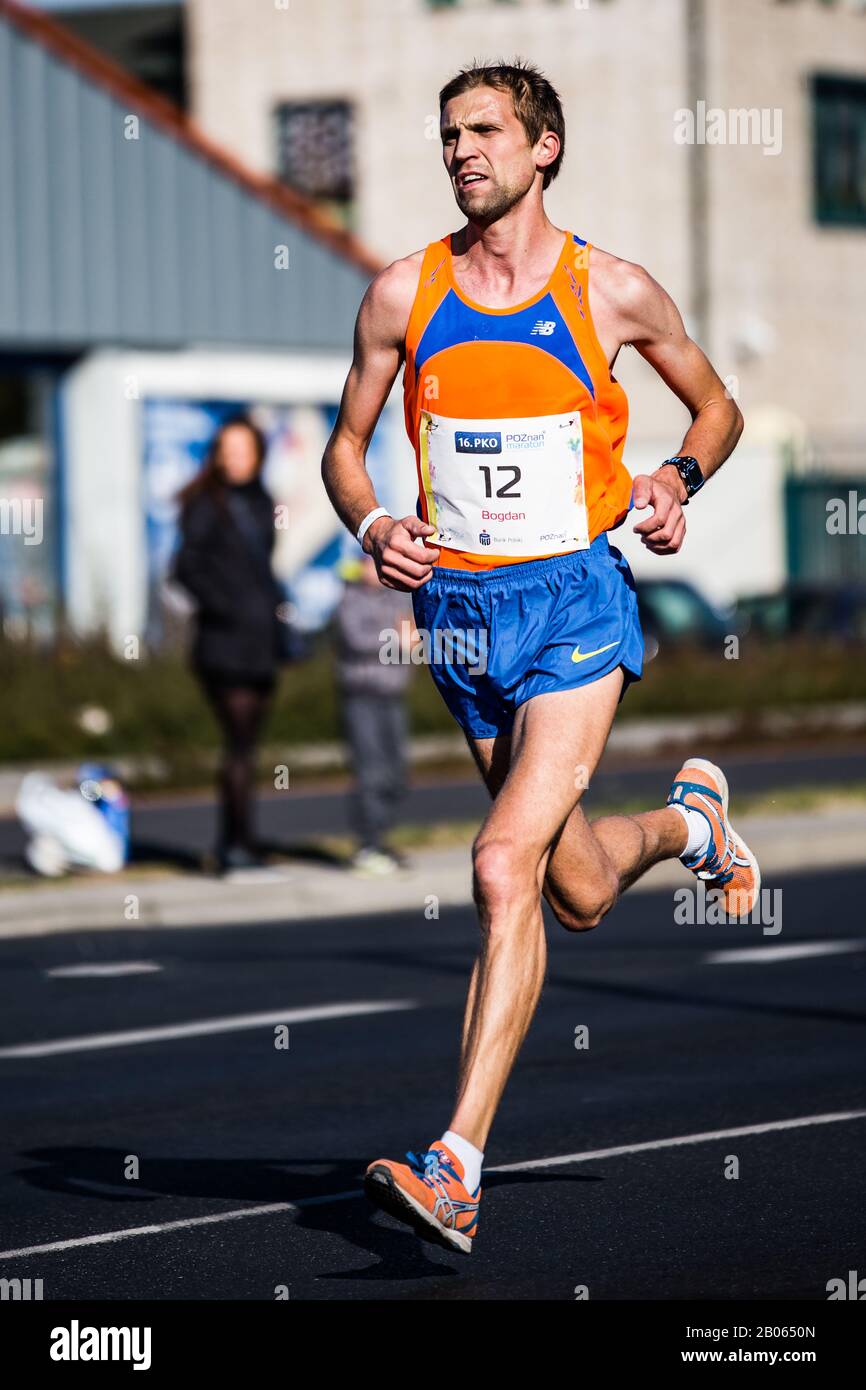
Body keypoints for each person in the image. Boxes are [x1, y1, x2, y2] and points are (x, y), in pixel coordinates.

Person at [321, 59, 759, 1254]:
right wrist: (372, 524)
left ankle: (454, 1160)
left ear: (542, 146)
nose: (460, 151)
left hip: (574, 603)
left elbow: (714, 406)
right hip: (459, 619)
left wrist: (674, 476)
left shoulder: (608, 289)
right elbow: (346, 446)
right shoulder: (399, 294)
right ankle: (687, 824)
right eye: (447, 133)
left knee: (499, 867)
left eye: (484, 131)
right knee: (569, 889)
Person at [174, 416, 282, 874]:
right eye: (228, 450)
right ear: (217, 456)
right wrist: (229, 608)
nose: (236, 459)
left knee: (248, 745)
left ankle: (241, 840)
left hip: (260, 643)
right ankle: (233, 845)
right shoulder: (205, 505)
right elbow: (184, 569)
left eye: (245, 450)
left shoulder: (262, 501)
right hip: (223, 644)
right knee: (238, 745)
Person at [334, 554, 413, 876]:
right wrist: (397, 637)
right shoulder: (349, 600)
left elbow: (417, 640)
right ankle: (368, 844)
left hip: (393, 696)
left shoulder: (399, 597)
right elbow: (355, 639)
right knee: (370, 771)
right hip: (361, 698)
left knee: (395, 773)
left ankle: (380, 836)